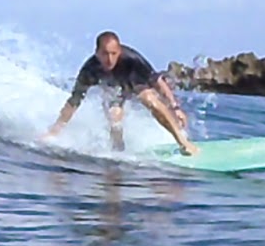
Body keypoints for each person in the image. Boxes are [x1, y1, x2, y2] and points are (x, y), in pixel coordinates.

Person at [43, 31, 200, 155]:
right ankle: (119, 153)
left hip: (135, 83)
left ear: (119, 51)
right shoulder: (90, 70)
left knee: (150, 100)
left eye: (114, 53)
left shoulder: (131, 59)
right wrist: (55, 130)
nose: (110, 59)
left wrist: (175, 107)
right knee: (114, 116)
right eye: (105, 54)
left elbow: (158, 81)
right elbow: (74, 102)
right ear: (96, 52)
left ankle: (183, 143)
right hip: (114, 90)